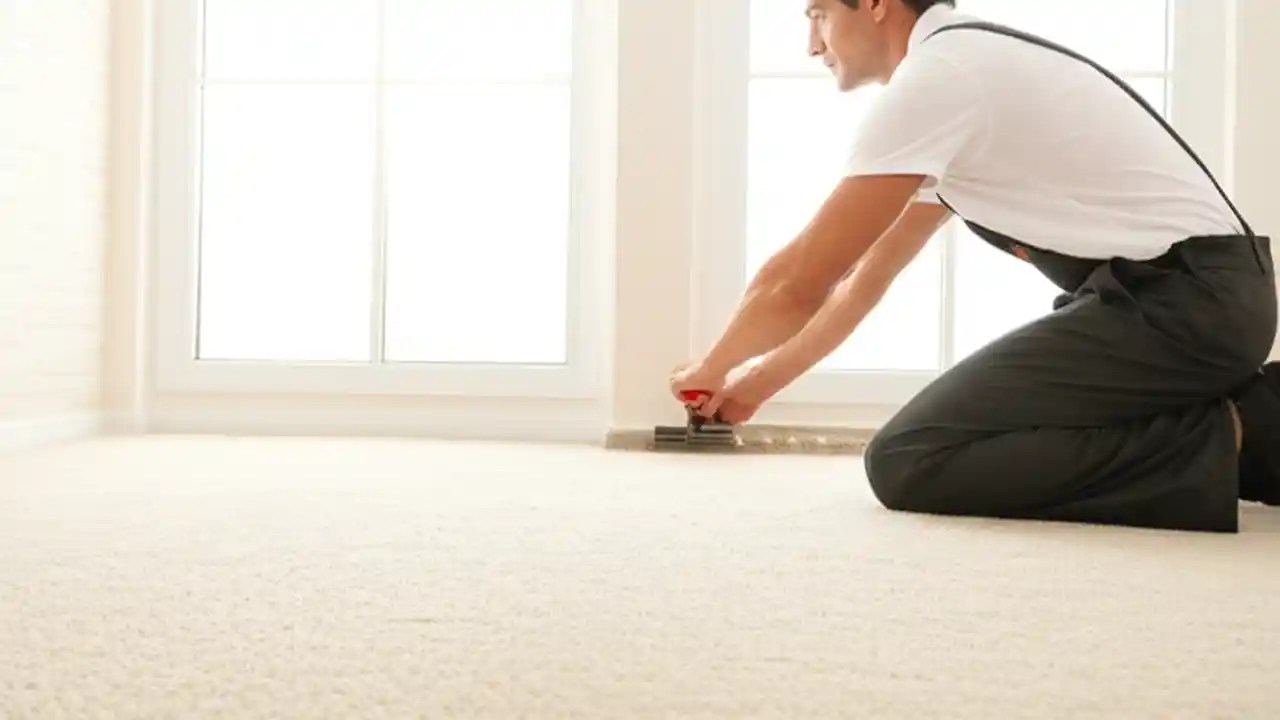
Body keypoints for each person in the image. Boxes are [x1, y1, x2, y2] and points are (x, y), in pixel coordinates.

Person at [670, 0, 1279, 533]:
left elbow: (798, 281)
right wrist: (752, 385)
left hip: (1187, 302)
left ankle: (1250, 431)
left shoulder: (940, 78)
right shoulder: (959, 74)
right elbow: (860, 282)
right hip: (1190, 298)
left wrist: (708, 369)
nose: (811, 44)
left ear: (876, 3)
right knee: (914, 454)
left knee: (910, 460)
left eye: (819, 14)